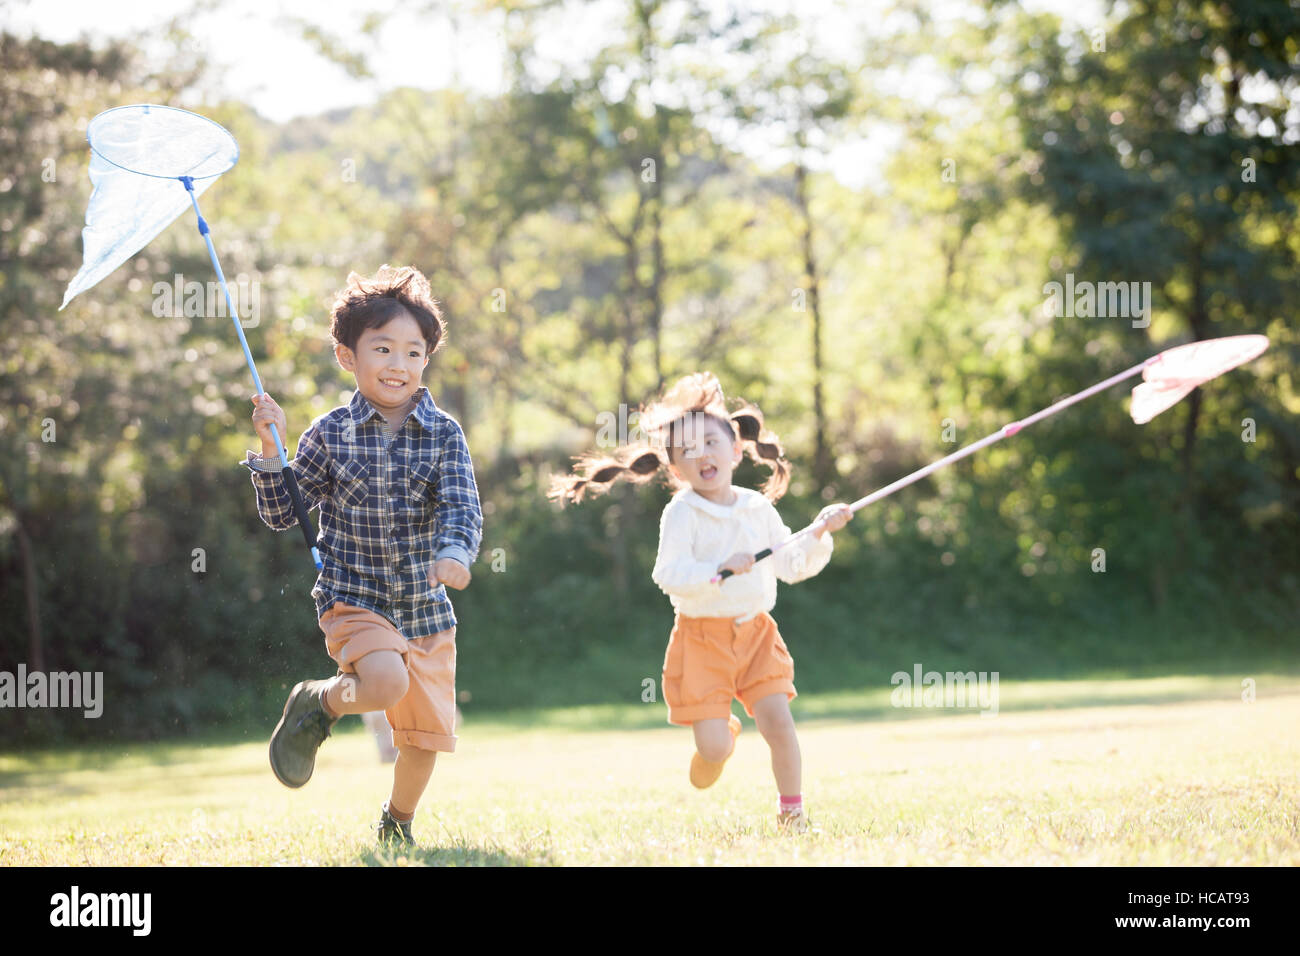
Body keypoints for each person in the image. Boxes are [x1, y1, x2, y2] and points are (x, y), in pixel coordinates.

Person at [243, 265, 482, 847]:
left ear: (426, 359)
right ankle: (319, 702)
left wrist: (455, 550)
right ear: (348, 356)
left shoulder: (445, 434)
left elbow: (461, 505)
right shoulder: (330, 433)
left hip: (425, 609)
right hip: (354, 597)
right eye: (383, 348)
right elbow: (284, 513)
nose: (399, 364)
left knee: (423, 742)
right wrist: (274, 454)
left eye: (413, 351)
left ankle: (397, 820)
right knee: (382, 682)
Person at [549, 372, 850, 833]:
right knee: (712, 748)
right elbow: (667, 575)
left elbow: (791, 564)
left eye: (711, 442)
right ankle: (722, 737)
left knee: (779, 723)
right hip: (701, 640)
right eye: (686, 451)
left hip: (756, 634)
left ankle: (792, 812)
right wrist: (719, 571)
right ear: (675, 470)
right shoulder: (683, 513)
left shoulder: (757, 508)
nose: (701, 454)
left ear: (735, 450)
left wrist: (821, 533)